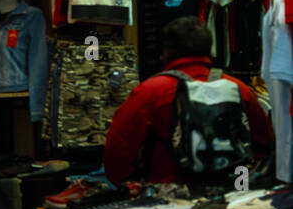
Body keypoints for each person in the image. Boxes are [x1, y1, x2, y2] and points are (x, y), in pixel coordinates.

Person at [105, 17, 272, 185]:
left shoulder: (151, 92)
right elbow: (263, 142)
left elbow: (117, 151)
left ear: (166, 51)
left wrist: (130, 184)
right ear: (209, 48)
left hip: (167, 195)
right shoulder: (238, 89)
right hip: (231, 194)